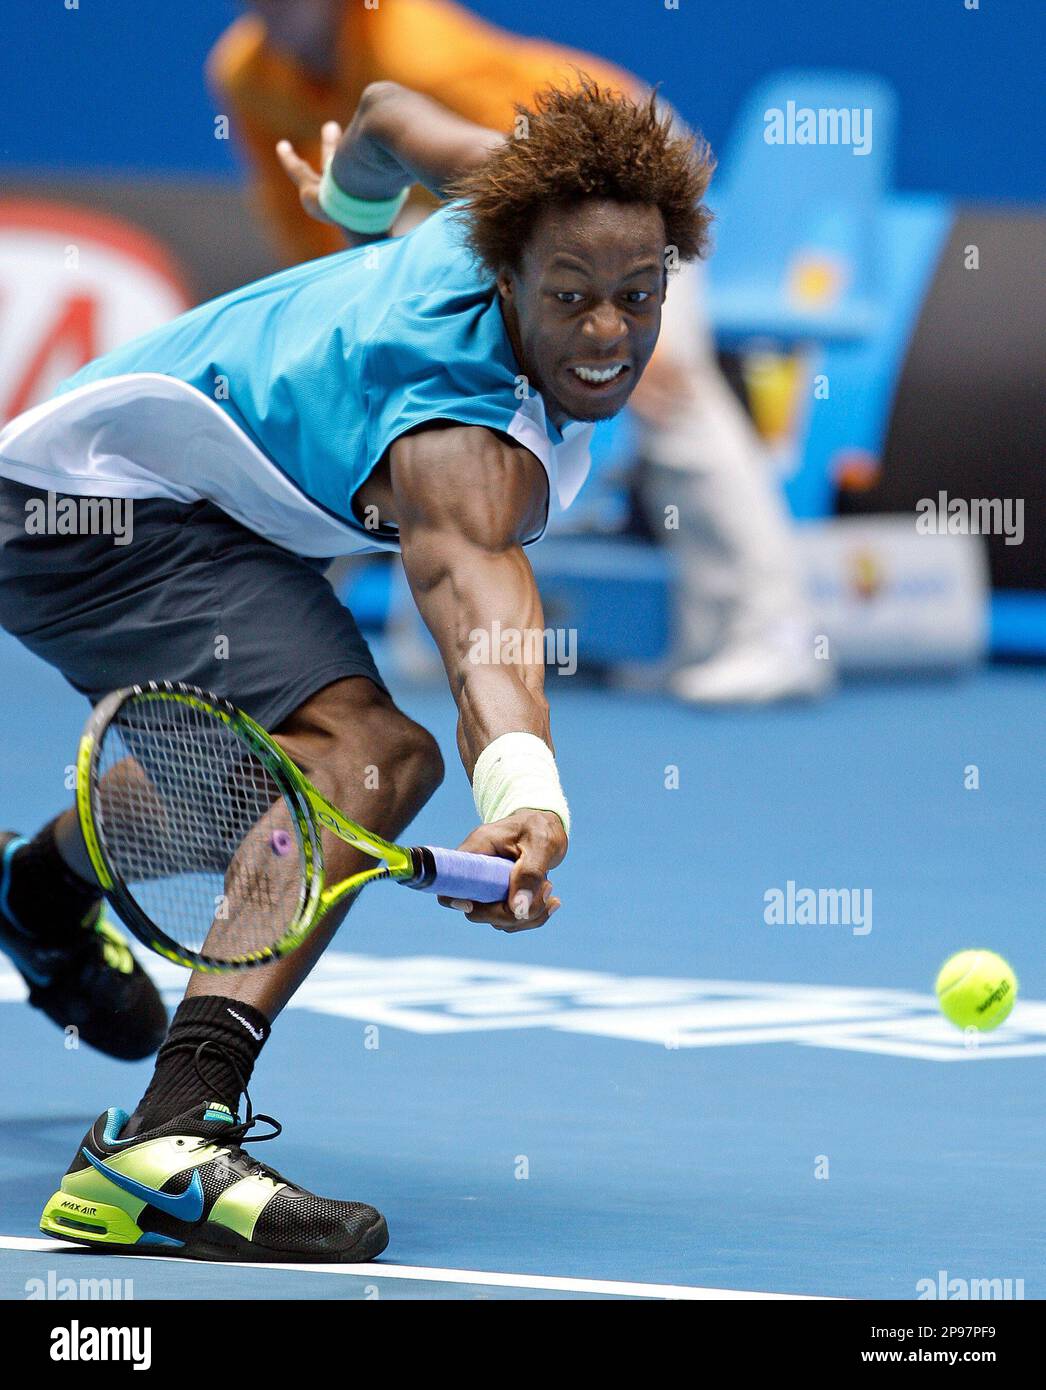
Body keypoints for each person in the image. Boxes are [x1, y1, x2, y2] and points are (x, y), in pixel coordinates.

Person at [0, 77, 713, 1262]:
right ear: (507, 276)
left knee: (264, 807)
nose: (606, 333)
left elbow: (382, 116)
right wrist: (524, 796)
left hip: (190, 499)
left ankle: (36, 886)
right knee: (370, 760)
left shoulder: (512, 189)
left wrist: (354, 207)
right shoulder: (460, 438)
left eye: (637, 296)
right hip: (90, 509)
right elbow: (484, 630)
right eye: (570, 296)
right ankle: (168, 1139)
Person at [211, 0, 828, 704]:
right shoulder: (243, 74)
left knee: (665, 387)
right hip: (480, 196)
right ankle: (389, 632)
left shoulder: (414, 51)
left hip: (614, 162)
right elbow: (307, 219)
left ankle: (776, 631)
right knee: (380, 382)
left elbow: (530, 181)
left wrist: (608, 320)